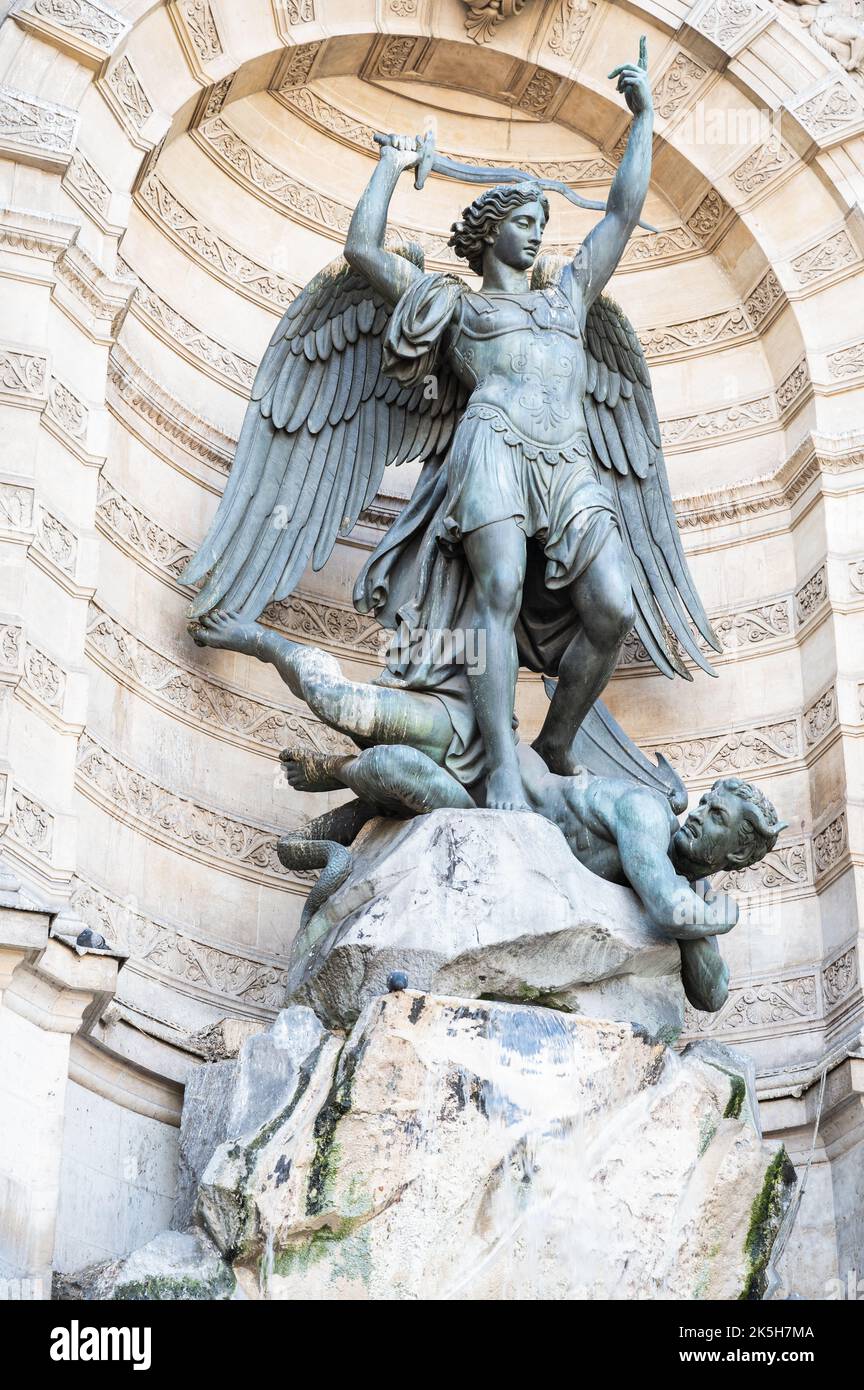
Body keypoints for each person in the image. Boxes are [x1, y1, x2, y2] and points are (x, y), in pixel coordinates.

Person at [341, 46, 654, 811]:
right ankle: (503, 773)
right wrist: (390, 164)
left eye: (543, 220)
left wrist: (645, 119)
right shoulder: (456, 306)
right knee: (501, 591)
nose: (537, 233)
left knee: (614, 607)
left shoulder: (569, 297)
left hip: (570, 463)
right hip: (492, 450)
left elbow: (621, 213)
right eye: (522, 221)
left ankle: (554, 741)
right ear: (489, 234)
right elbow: (361, 250)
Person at [192, 610, 785, 1012]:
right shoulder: (649, 816)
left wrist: (703, 926)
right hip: (482, 754)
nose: (700, 813)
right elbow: (666, 903)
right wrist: (710, 919)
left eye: (717, 817)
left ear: (735, 852)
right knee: (339, 702)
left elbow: (710, 995)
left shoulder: (678, 885)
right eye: (709, 802)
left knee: (395, 772)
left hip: (478, 815)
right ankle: (263, 640)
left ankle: (337, 788)